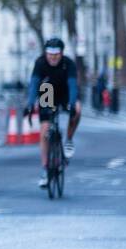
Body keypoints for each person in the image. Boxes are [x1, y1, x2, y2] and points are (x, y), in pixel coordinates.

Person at [25, 37, 81, 188]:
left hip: (65, 92)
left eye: (56, 54)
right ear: (45, 53)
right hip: (47, 92)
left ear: (62, 53)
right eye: (50, 54)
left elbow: (73, 85)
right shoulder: (40, 63)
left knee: (77, 109)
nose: (53, 57)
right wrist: (30, 104)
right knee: (44, 131)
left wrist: (71, 105)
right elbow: (34, 84)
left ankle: (69, 140)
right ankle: (45, 169)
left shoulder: (68, 64)